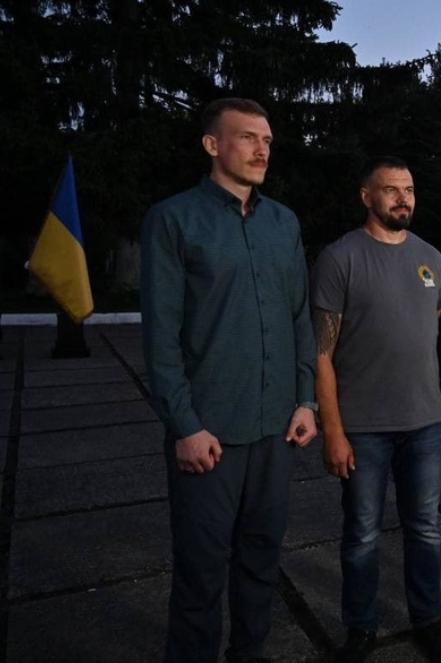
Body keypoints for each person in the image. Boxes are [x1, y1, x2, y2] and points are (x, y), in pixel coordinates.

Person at [141, 97, 317, 663]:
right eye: (247, 137)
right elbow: (161, 337)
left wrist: (306, 399)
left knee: (262, 560)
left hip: (274, 429)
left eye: (267, 139)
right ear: (213, 144)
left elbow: (298, 317)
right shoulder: (173, 219)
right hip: (209, 434)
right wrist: (184, 425)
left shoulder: (284, 221)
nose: (262, 148)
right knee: (200, 572)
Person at [310, 156, 441, 663]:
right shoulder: (340, 258)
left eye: (409, 189)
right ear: (366, 196)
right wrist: (333, 430)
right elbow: (321, 355)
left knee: (425, 529)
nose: (403, 199)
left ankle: (428, 620)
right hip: (364, 428)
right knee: (363, 534)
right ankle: (361, 629)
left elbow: (436, 339)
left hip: (424, 423)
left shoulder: (432, 258)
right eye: (391, 189)